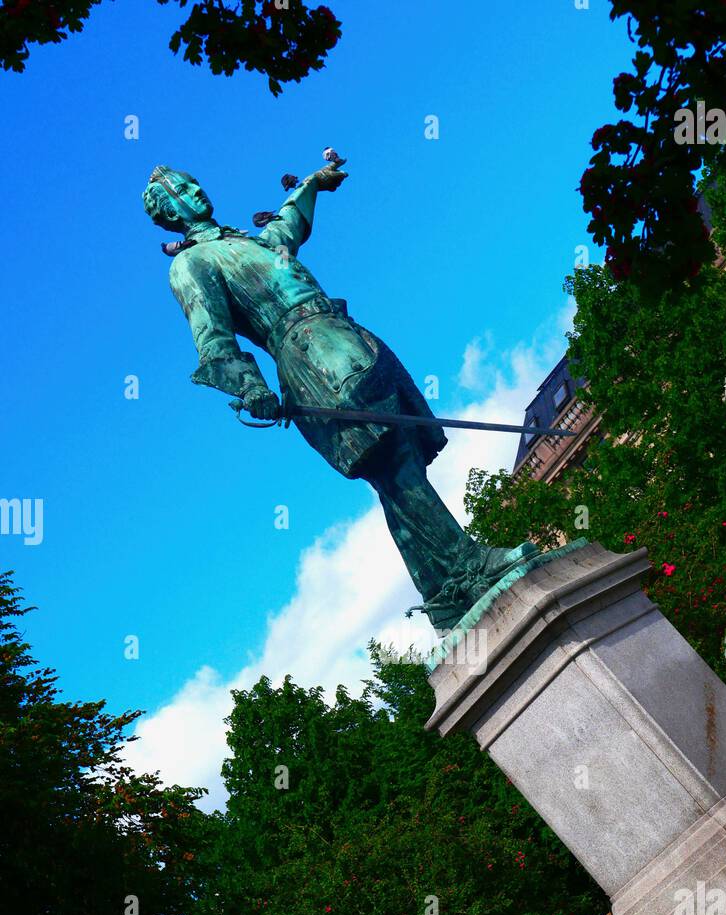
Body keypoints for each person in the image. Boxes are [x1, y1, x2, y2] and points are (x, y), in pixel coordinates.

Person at [143, 164, 538, 630]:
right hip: (308, 355)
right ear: (170, 210)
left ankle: (444, 592)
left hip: (345, 335)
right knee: (391, 462)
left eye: (194, 181)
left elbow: (286, 225)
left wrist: (314, 183)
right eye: (183, 190)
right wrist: (250, 387)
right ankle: (470, 566)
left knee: (402, 457)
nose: (197, 189)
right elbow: (212, 338)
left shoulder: (249, 241)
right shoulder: (190, 264)